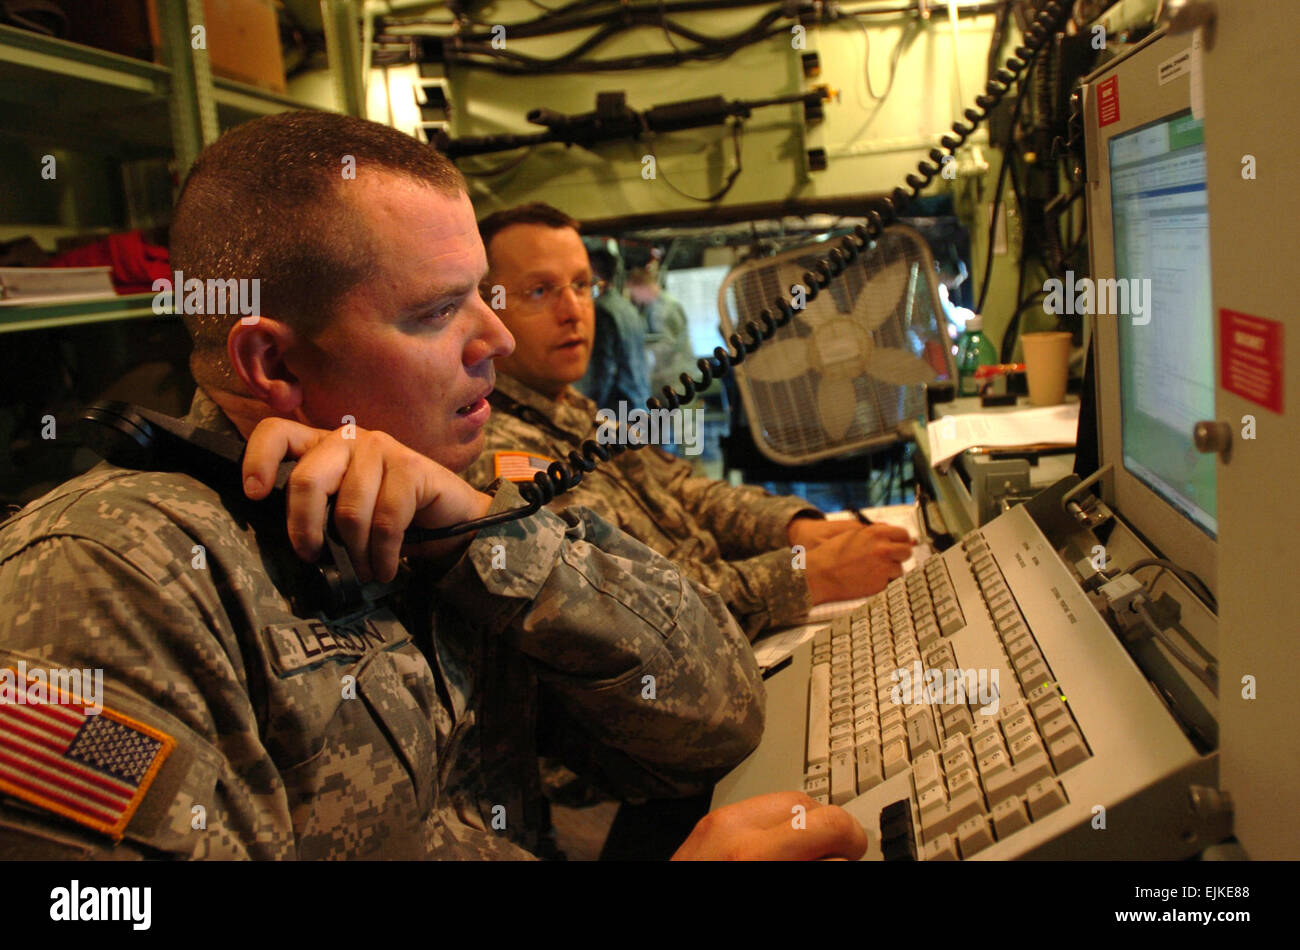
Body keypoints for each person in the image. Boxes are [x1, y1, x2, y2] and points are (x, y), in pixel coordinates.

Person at [0, 112, 867, 861]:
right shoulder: (102, 584)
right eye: (437, 310)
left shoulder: (426, 507)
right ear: (273, 361)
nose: (494, 335)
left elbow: (716, 722)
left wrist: (484, 536)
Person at [469, 203, 916, 639]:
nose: (573, 311)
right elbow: (625, 607)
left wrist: (793, 528)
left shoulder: (577, 411)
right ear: (486, 309)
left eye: (583, 285)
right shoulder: (497, 453)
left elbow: (683, 490)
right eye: (540, 291)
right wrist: (809, 576)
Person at [574, 245, 651, 412]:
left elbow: (604, 370)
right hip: (639, 403)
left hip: (618, 409)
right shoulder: (626, 308)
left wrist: (589, 410)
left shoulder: (602, 312)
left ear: (595, 273)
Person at [627, 266, 698, 403]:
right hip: (665, 379)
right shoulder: (652, 307)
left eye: (633, 292)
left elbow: (668, 344)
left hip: (678, 379)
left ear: (641, 287)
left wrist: (640, 351)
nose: (634, 297)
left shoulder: (666, 308)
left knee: (683, 422)